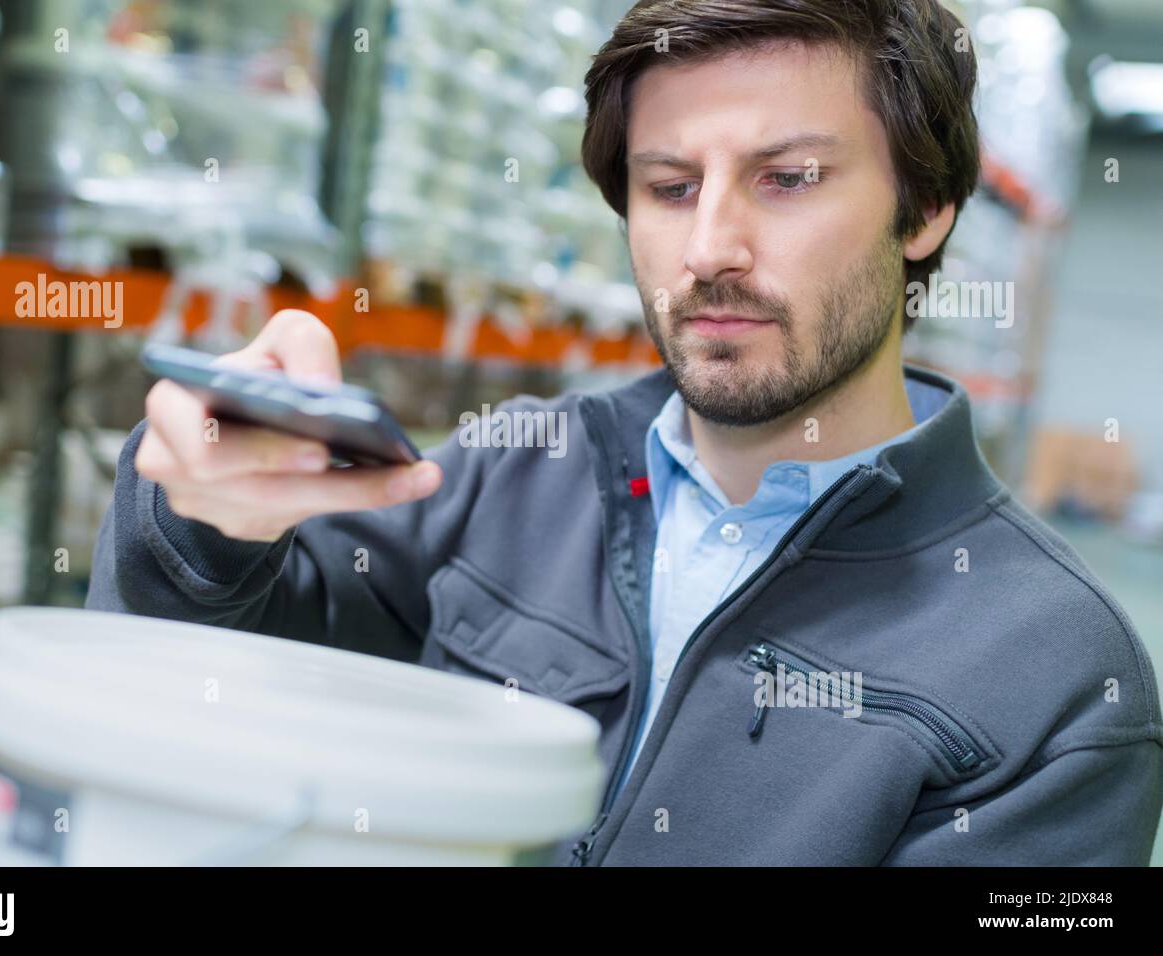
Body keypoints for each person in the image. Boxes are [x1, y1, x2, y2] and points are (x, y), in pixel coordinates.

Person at [88, 0, 1163, 865]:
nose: (710, 248)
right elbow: (175, 702)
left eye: (787, 179)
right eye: (670, 186)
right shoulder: (507, 477)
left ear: (924, 210)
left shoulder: (1054, 679)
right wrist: (200, 523)